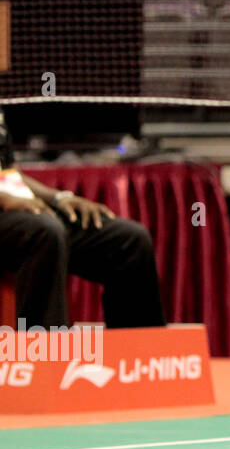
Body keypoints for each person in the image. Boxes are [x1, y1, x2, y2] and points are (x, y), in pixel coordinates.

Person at [0, 107, 165, 329]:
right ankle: (43, 354)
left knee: (129, 240)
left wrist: (59, 197)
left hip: (13, 212)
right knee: (44, 231)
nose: (10, 68)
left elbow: (8, 173)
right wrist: (3, 198)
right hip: (11, 215)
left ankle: (138, 357)